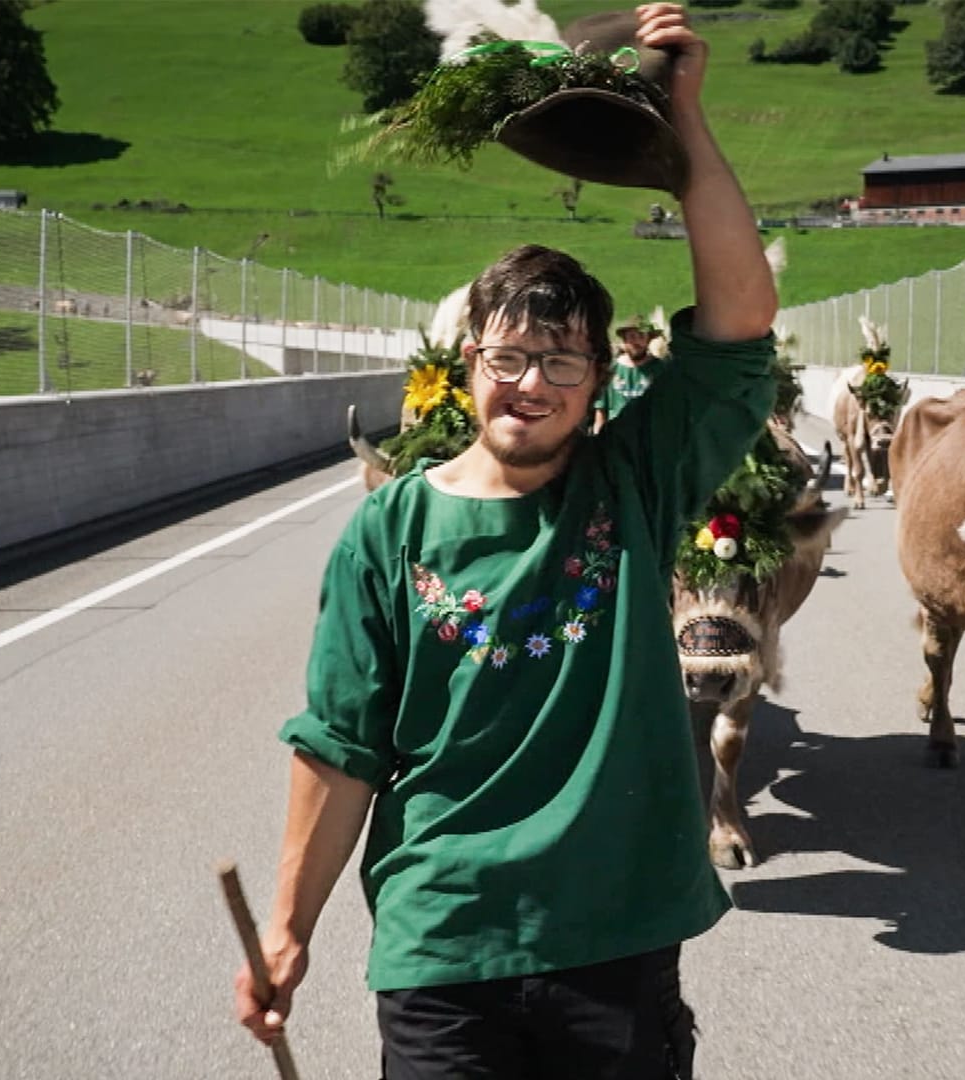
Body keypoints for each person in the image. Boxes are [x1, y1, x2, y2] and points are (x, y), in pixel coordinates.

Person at [235, 5, 777, 1076]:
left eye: (563, 363)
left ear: (597, 384)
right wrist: (288, 926)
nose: (532, 384)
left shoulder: (632, 479)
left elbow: (741, 318)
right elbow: (341, 749)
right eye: (510, 356)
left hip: (615, 940)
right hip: (444, 949)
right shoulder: (390, 531)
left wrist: (683, 120)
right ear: (470, 361)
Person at [591, 316, 665, 434]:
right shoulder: (611, 369)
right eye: (632, 337)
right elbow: (600, 413)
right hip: (616, 438)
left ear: (648, 340)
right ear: (624, 340)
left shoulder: (661, 369)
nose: (636, 342)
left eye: (641, 336)